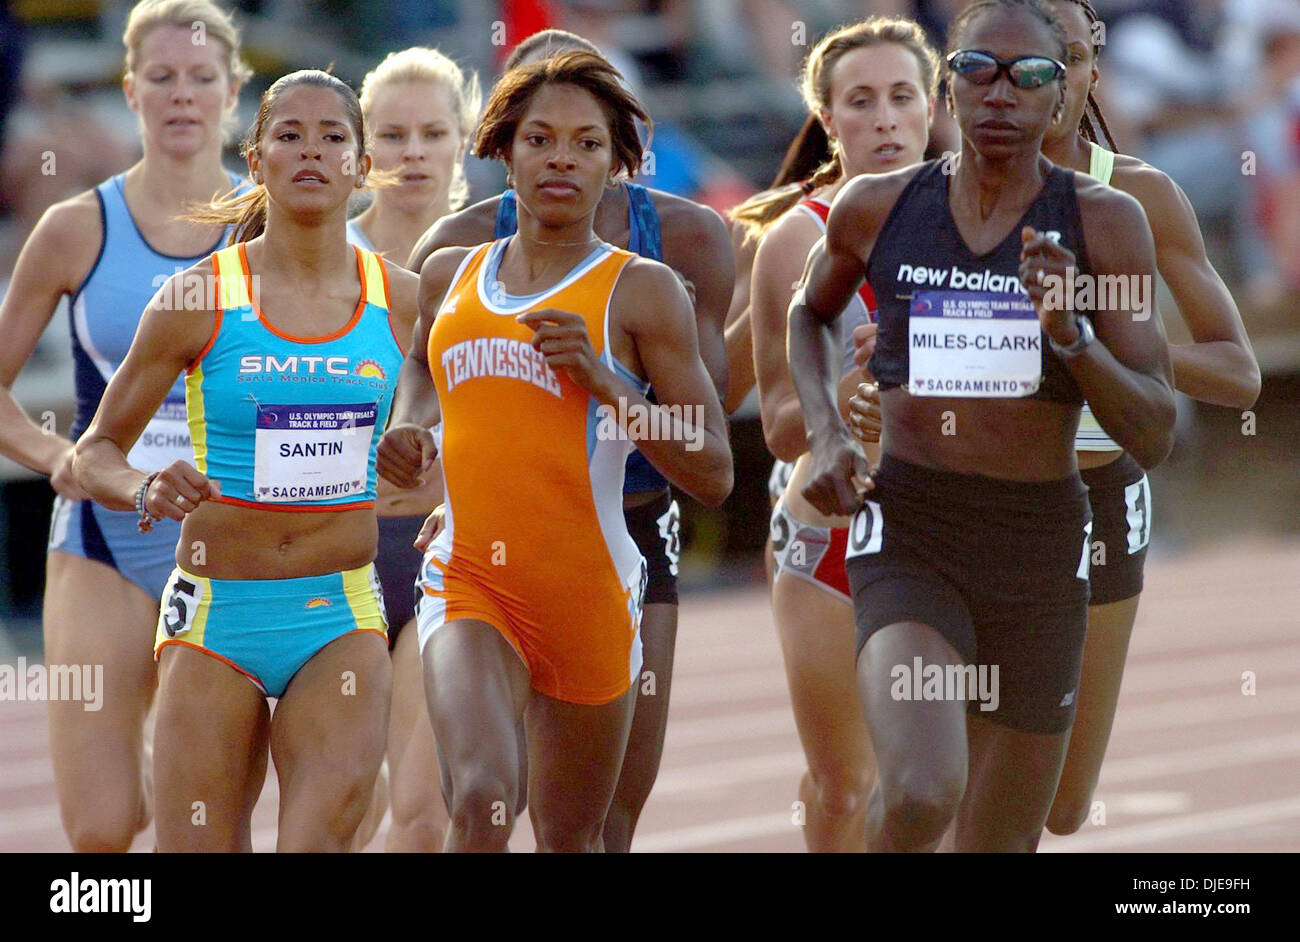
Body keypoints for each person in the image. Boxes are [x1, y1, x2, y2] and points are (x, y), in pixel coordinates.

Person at [847, 0, 1262, 839]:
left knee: (1061, 805)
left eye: (1061, 60)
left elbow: (1239, 374)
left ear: (1088, 73)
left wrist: (1089, 352)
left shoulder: (1134, 198)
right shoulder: (943, 185)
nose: (1037, 80)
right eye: (1000, 65)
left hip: (1091, 502)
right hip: (940, 501)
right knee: (928, 778)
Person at [789, 0, 1176, 852]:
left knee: (1004, 838)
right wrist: (825, 432)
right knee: (924, 793)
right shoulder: (878, 207)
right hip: (912, 532)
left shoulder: (1107, 223)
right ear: (948, 86)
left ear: (1063, 92)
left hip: (1039, 550)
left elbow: (1153, 428)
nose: (1002, 91)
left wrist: (1072, 336)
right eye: (977, 70)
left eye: (1031, 73)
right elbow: (807, 315)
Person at [379, 50, 732, 853]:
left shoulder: (645, 290)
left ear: (619, 163)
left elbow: (713, 468)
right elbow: (419, 368)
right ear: (504, 149)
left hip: (593, 586)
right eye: (540, 140)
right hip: (471, 576)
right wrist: (410, 429)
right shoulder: (449, 270)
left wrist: (608, 383)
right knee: (479, 798)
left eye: (586, 144)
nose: (562, 160)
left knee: (581, 836)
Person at [72, 68, 418, 852]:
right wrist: (145, 484)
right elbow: (96, 450)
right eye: (289, 135)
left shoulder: (404, 298)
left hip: (339, 613)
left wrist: (414, 445)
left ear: (362, 166)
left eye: (334, 137)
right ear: (256, 162)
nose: (312, 152)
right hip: (216, 617)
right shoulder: (197, 297)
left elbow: (444, 423)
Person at [0, 0, 248, 852]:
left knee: (212, 822)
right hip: (107, 539)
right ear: (131, 90)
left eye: (202, 77)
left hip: (244, 547)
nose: (183, 95)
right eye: (163, 78)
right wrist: (55, 454)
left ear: (233, 90)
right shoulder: (76, 228)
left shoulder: (276, 228)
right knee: (102, 829)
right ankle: (140, 771)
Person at [730, 16, 938, 852]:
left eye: (902, 96)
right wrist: (851, 395)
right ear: (827, 118)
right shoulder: (795, 240)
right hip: (832, 543)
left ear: (934, 107)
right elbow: (779, 430)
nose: (885, 118)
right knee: (848, 784)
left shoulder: (992, 227)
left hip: (957, 536)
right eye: (861, 101)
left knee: (937, 783)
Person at [346, 45, 481, 854]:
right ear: (363, 150)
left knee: (426, 818)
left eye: (434, 133)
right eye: (392, 136)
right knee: (342, 808)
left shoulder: (492, 263)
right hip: (336, 552)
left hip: (453, 551)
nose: (414, 153)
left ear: (463, 142)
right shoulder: (318, 260)